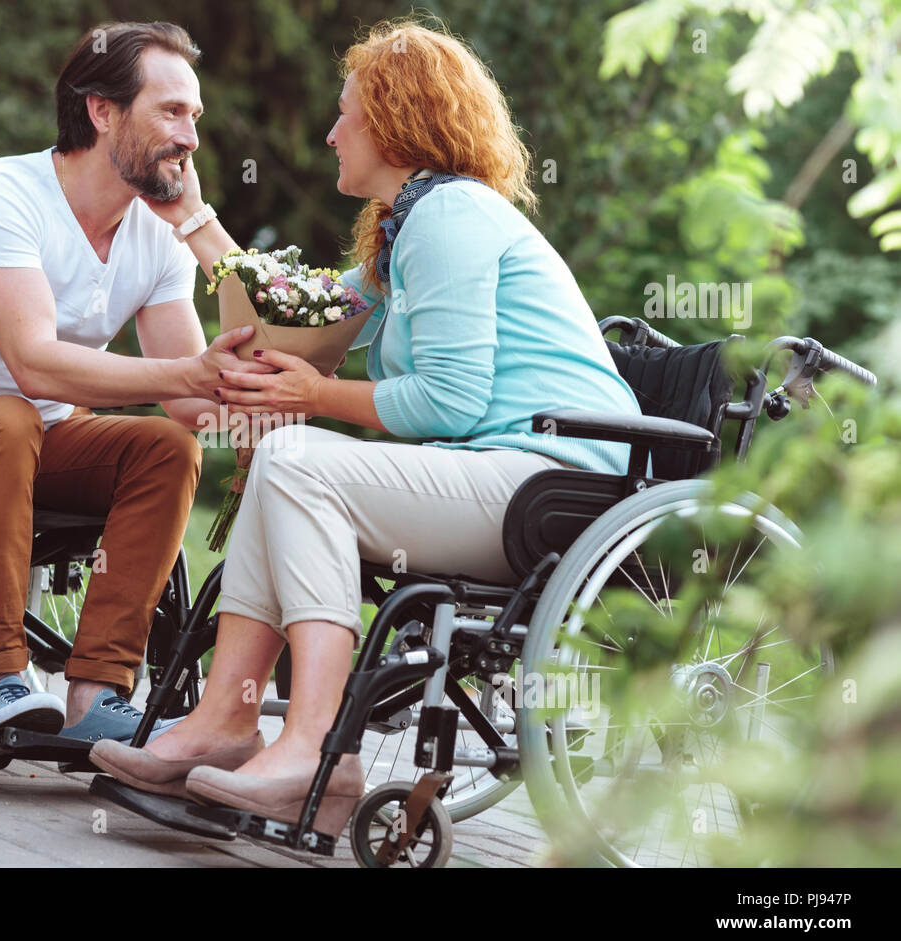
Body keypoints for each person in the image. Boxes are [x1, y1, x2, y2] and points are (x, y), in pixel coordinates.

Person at [89, 19, 643, 835]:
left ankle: (319, 748)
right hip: (503, 478)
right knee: (286, 456)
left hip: (550, 487)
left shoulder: (450, 217)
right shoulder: (407, 229)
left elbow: (449, 400)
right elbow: (295, 317)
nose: (331, 132)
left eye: (345, 113)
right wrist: (193, 218)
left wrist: (312, 395)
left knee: (299, 460)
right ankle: (224, 723)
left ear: (393, 120)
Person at [0, 21, 268, 742]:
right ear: (102, 110)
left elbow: (189, 402)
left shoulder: (158, 235)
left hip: (47, 435)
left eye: (196, 117)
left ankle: (96, 695)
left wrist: (202, 230)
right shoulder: (0, 194)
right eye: (171, 112)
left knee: (165, 449)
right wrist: (193, 371)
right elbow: (33, 361)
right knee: (7, 416)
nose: (191, 139)